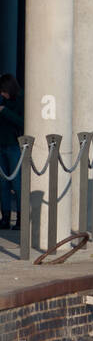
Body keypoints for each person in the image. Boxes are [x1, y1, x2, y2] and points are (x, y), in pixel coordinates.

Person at [0, 74, 22, 230]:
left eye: (4, 91)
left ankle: (21, 216)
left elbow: (22, 122)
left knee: (17, 183)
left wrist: (4, 111)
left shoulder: (20, 101)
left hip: (14, 145)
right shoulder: (2, 100)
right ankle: (5, 217)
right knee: (3, 184)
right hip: (1, 145)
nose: (2, 94)